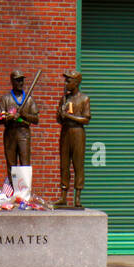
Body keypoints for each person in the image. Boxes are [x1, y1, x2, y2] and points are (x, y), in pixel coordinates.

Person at [55, 70, 92, 208]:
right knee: (64, 164)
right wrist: (60, 115)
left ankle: (78, 197)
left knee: (78, 165)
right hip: (65, 132)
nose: (66, 83)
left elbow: (86, 119)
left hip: (77, 133)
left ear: (76, 82)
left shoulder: (84, 99)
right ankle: (63, 196)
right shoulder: (64, 99)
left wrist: (69, 116)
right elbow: (58, 118)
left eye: (68, 81)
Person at [0, 70, 39, 178]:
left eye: (22, 80)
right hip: (10, 133)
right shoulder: (6, 99)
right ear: (12, 81)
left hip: (24, 133)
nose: (20, 83)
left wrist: (24, 115)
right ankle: (12, 190)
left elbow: (36, 119)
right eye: (17, 80)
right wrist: (8, 118)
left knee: (25, 164)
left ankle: (24, 191)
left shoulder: (28, 100)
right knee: (11, 164)